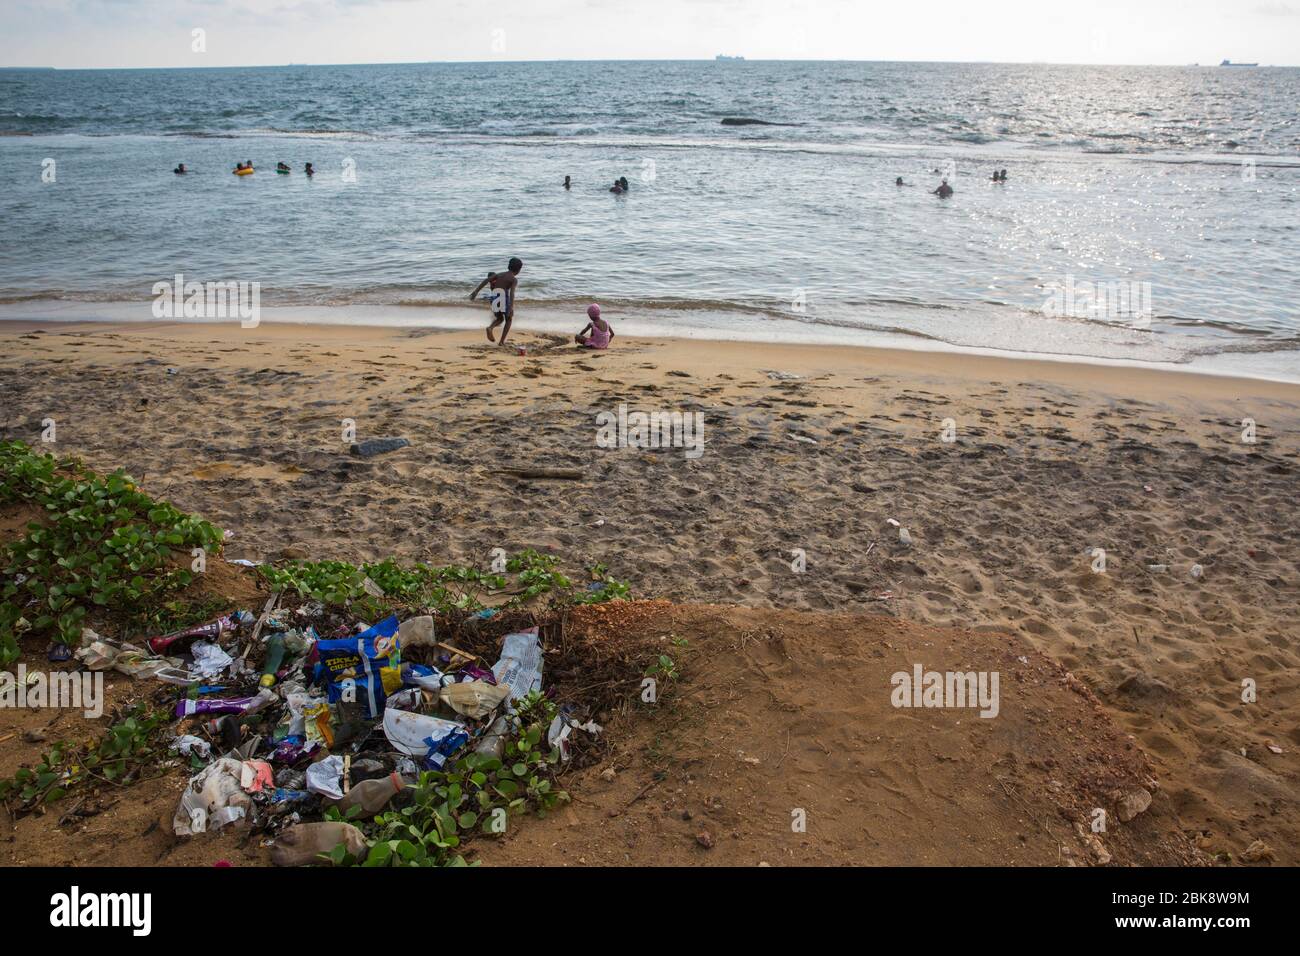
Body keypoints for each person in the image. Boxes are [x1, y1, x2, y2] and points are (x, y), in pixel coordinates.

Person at [469, 257, 524, 345]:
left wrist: (476, 292)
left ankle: (490, 328)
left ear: (508, 266)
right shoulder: (514, 279)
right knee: (509, 319)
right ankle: (501, 342)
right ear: (518, 270)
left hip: (494, 295)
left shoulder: (500, 274)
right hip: (502, 296)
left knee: (500, 318)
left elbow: (486, 280)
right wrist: (511, 307)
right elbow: (512, 293)